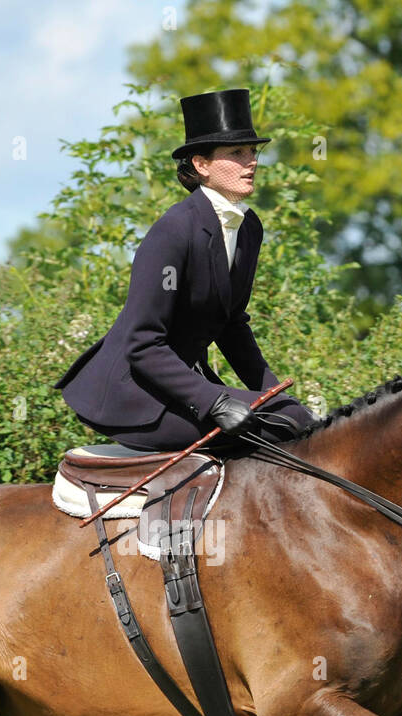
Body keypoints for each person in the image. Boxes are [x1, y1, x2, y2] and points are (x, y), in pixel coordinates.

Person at [54, 88, 315, 451]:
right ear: (201, 164)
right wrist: (215, 402)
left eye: (253, 151)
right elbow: (143, 343)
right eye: (236, 153)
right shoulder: (174, 230)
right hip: (133, 395)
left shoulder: (249, 227)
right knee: (289, 426)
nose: (251, 161)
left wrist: (276, 394)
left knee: (294, 418)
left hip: (178, 389)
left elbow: (232, 325)